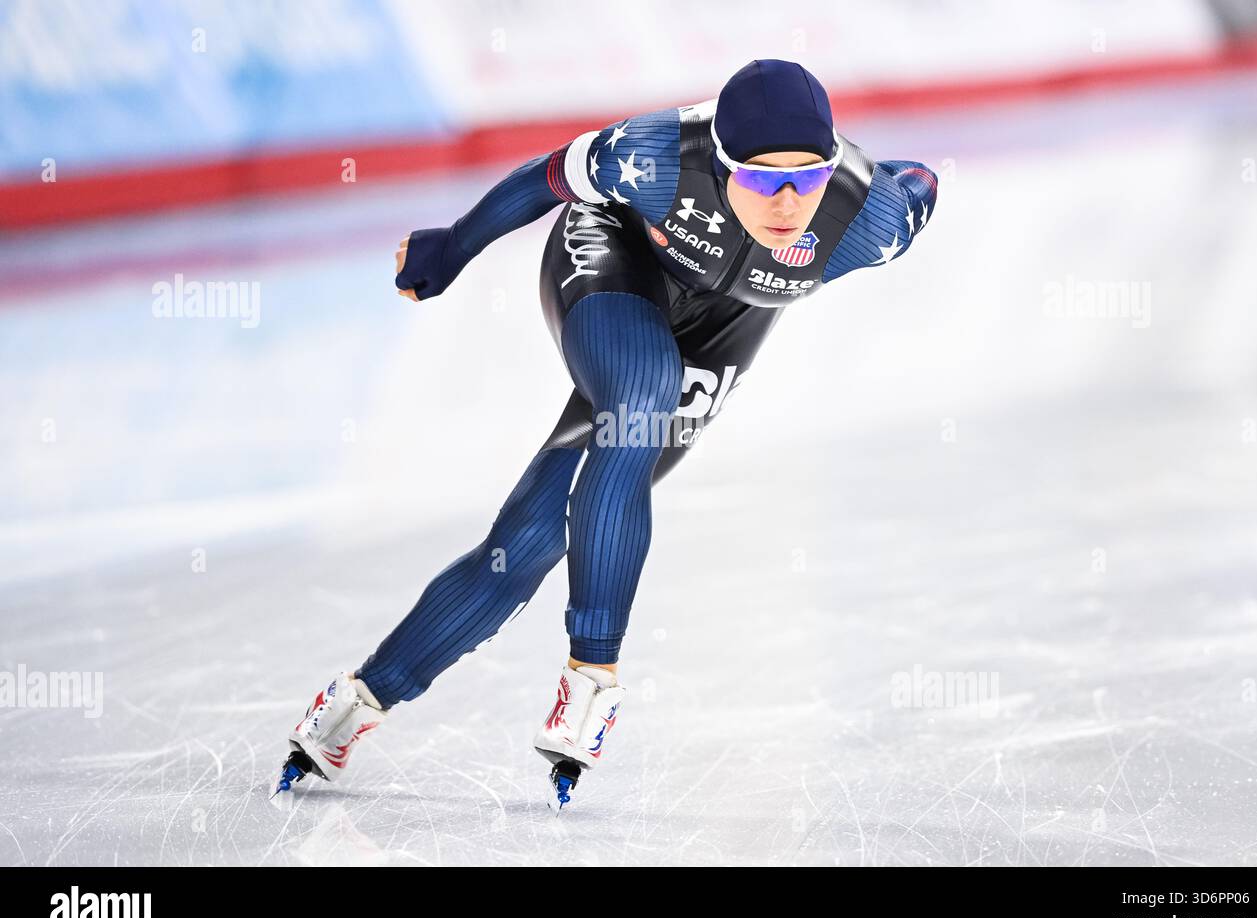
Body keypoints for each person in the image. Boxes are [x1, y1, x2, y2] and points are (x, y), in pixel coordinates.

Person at [273, 59, 938, 807]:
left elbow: (920, 181)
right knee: (641, 395)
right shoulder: (653, 157)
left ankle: (356, 703)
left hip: (730, 322)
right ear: (719, 167)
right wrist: (453, 247)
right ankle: (594, 676)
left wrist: (879, 178)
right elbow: (543, 181)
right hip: (614, 259)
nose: (785, 202)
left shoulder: (869, 220)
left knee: (528, 539)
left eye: (805, 179)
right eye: (759, 181)